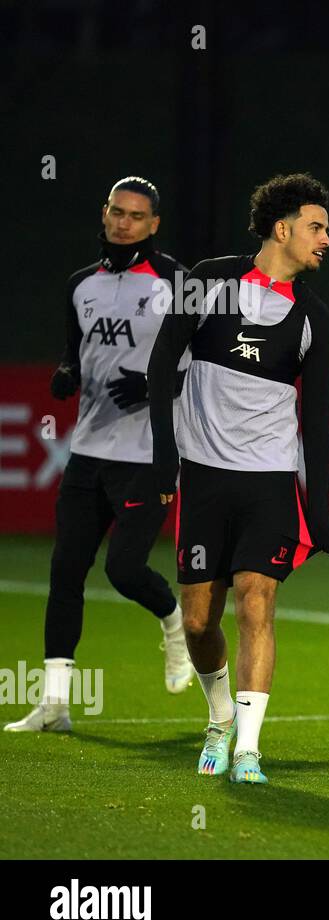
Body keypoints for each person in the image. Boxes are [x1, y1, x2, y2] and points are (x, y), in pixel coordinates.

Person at [148, 173, 329, 783]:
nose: (326, 239)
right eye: (317, 227)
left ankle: (249, 749)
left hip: (268, 483)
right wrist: (161, 459)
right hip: (204, 477)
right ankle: (220, 716)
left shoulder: (312, 316)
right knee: (200, 622)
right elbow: (159, 372)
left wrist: (323, 506)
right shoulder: (205, 281)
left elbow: (315, 423)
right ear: (282, 229)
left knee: (258, 602)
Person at [6, 176, 192, 734]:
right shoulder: (80, 285)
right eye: (117, 211)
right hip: (88, 450)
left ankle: (175, 624)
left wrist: (156, 385)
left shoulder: (176, 282)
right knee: (65, 572)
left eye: (137, 215)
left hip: (149, 453)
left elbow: (199, 365)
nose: (124, 222)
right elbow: (74, 350)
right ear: (104, 213)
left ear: (154, 224)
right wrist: (65, 373)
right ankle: (55, 705)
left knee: (124, 569)